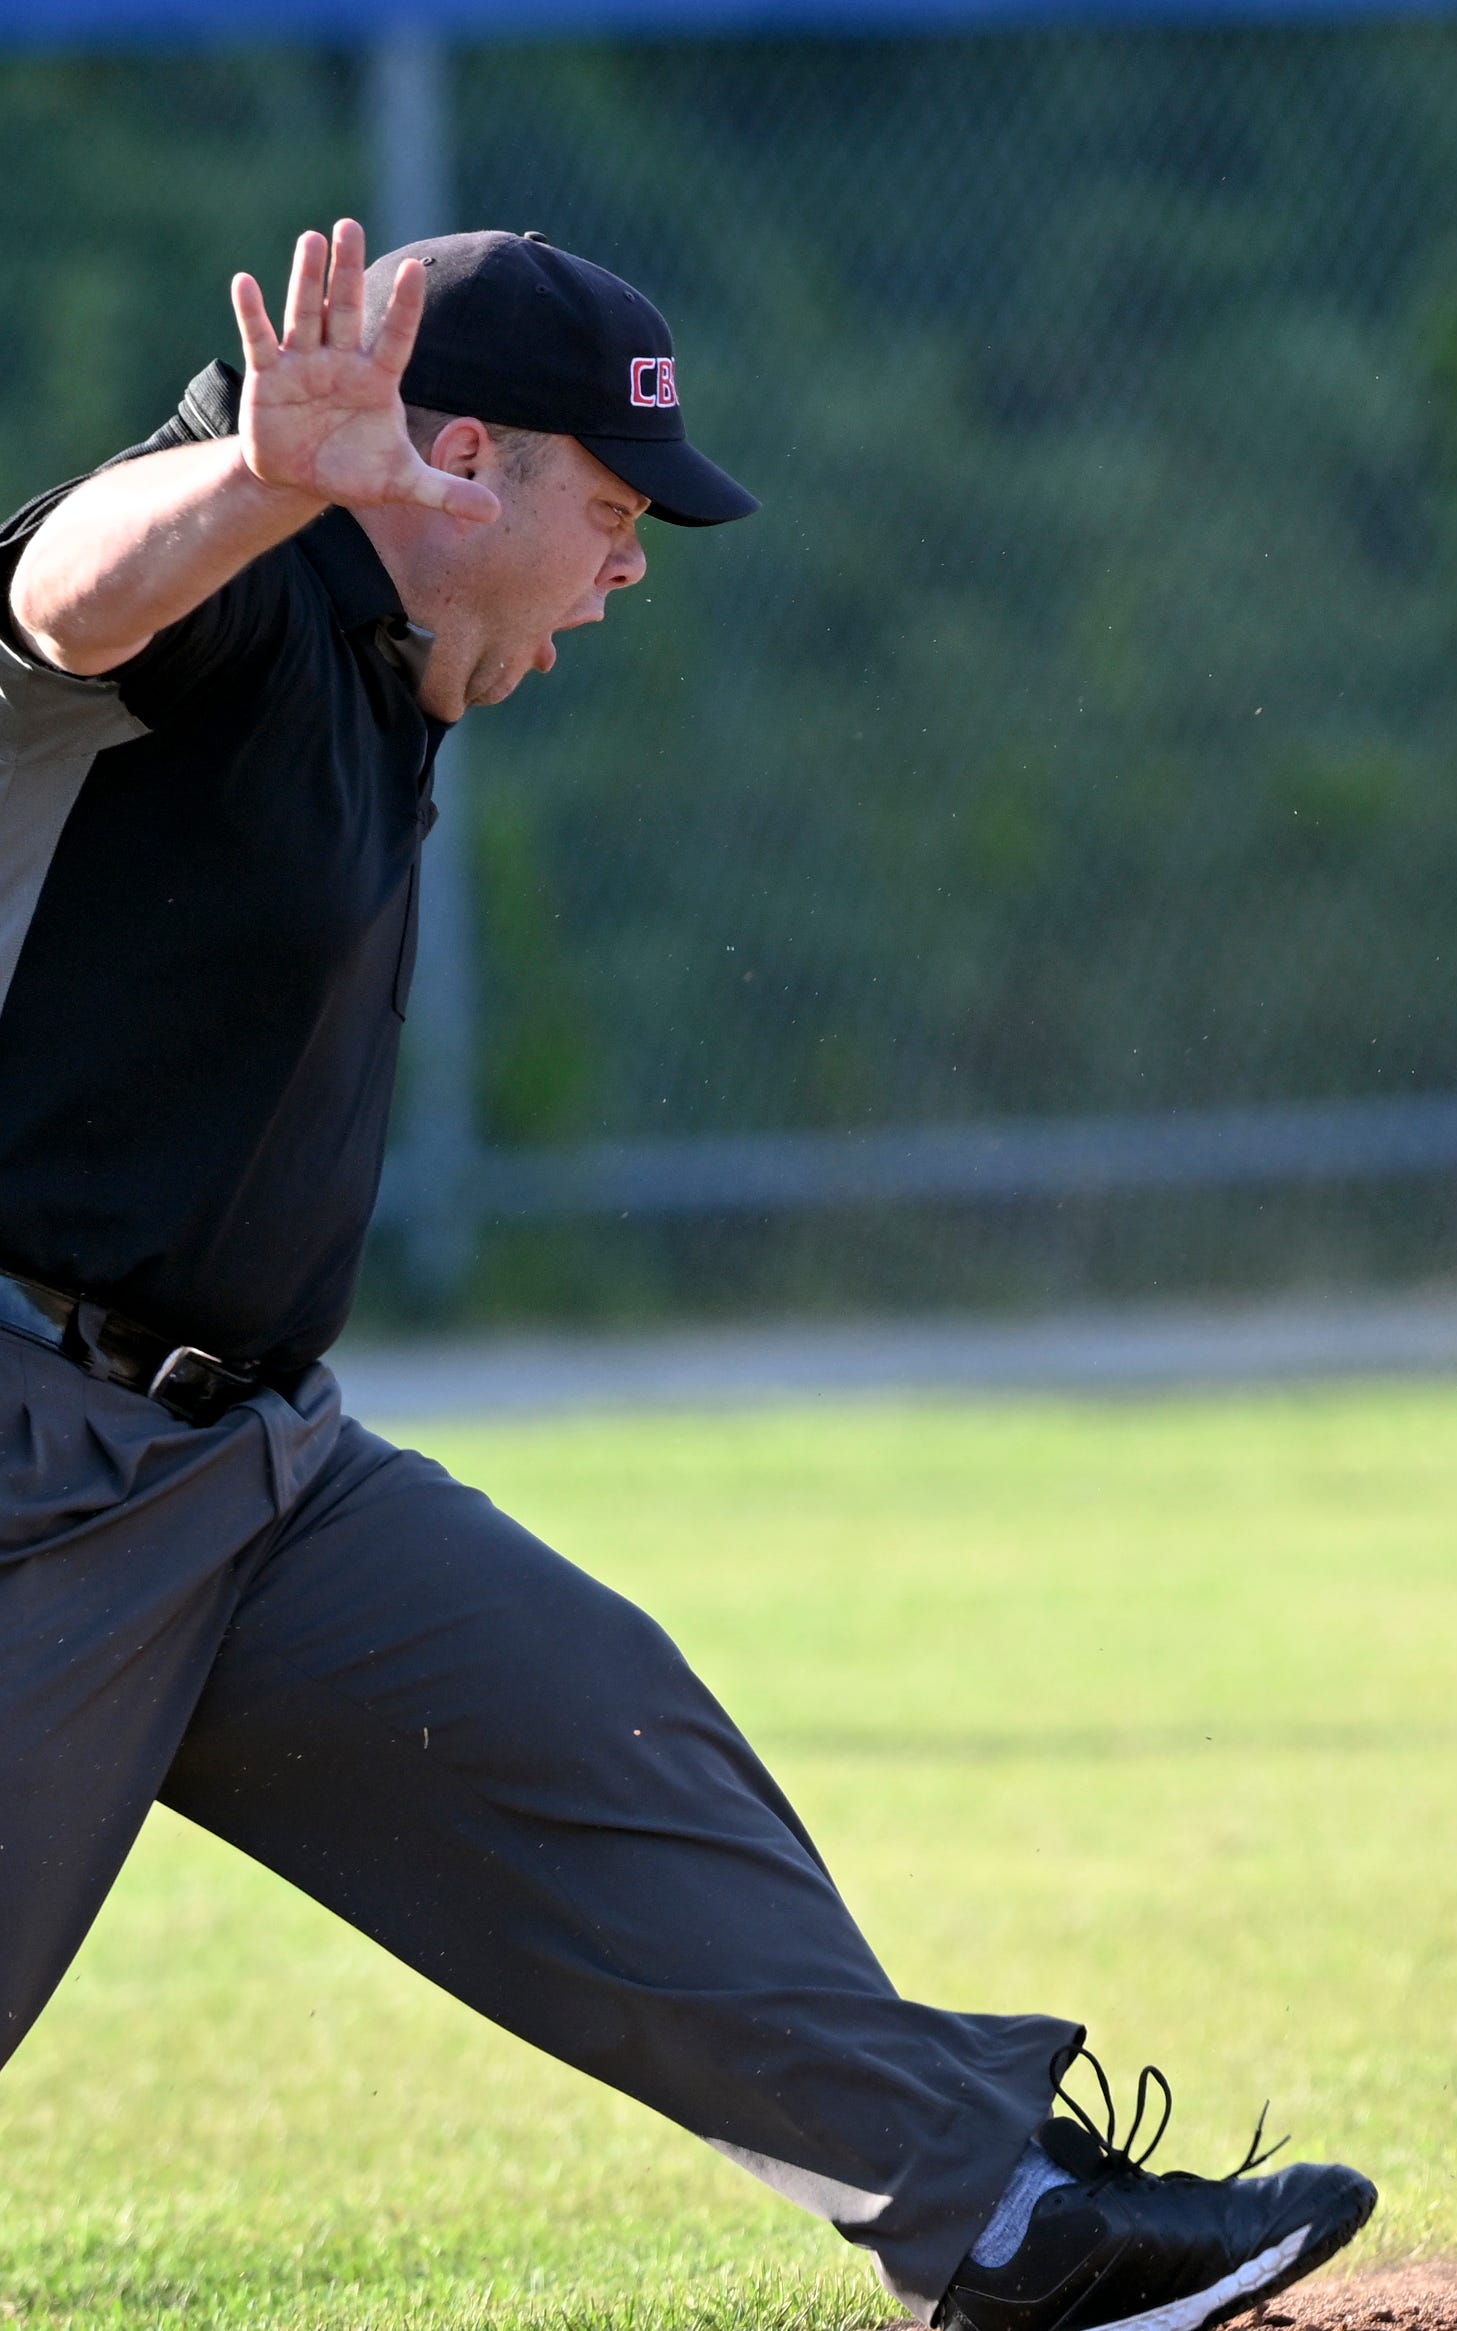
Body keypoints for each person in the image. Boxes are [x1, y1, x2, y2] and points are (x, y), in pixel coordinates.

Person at [0, 219, 1368, 2331]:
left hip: (257, 1474)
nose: (628, 569)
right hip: (31, 1472)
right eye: (616, 512)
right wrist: (279, 474)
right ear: (454, 459)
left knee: (591, 1729)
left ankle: (992, 2213)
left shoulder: (386, 661)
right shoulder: (241, 582)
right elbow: (59, 596)